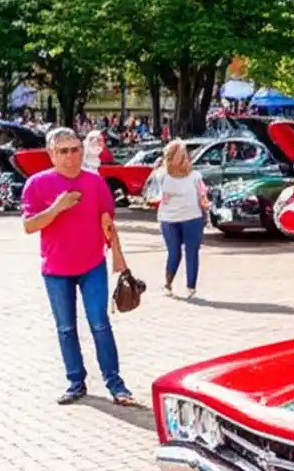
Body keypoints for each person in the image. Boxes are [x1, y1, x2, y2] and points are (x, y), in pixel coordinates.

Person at [21, 127, 138, 406]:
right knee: (66, 328)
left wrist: (119, 259)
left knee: (100, 323)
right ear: (51, 154)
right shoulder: (37, 184)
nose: (71, 156)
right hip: (56, 270)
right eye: (63, 151)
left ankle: (116, 384)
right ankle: (76, 381)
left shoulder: (96, 183)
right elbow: (29, 226)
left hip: (92, 265)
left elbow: (108, 223)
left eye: (75, 149)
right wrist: (57, 207)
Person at [156, 140, 209, 297]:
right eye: (180, 155)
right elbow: (152, 193)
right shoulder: (162, 175)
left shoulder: (195, 176)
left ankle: (191, 287)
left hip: (192, 217)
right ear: (171, 157)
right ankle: (168, 284)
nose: (184, 158)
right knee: (174, 252)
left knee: (192, 251)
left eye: (185, 154)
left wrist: (205, 203)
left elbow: (202, 194)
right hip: (168, 218)